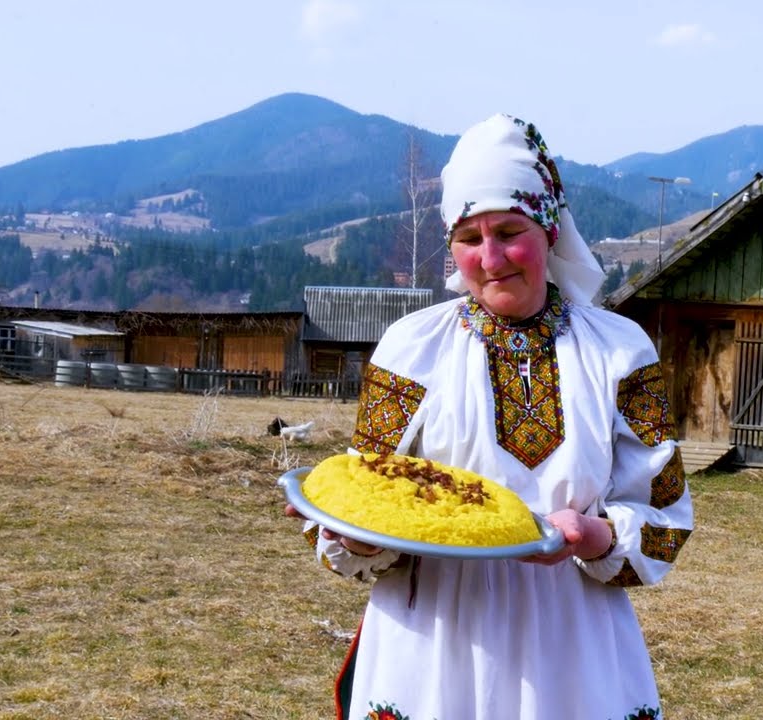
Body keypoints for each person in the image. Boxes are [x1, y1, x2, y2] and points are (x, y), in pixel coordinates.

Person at [287, 113, 693, 720]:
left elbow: (664, 516)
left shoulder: (619, 350)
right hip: (434, 643)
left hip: (572, 648)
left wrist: (598, 537)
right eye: (469, 238)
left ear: (550, 229)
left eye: (509, 230)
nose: (491, 257)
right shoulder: (411, 349)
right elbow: (366, 495)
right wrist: (348, 533)